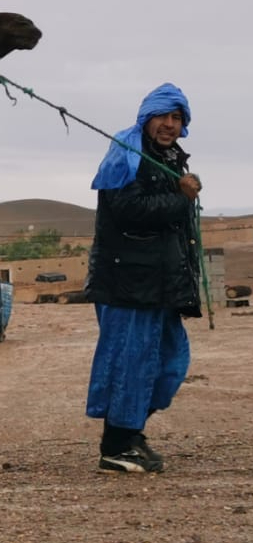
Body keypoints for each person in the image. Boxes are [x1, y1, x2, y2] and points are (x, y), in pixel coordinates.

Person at [84, 82, 202, 473]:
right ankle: (117, 445)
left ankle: (128, 431)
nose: (169, 124)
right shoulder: (126, 154)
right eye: (162, 116)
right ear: (146, 118)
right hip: (127, 282)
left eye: (176, 117)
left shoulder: (168, 157)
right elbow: (127, 209)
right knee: (130, 363)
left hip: (160, 283)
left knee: (171, 362)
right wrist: (181, 198)